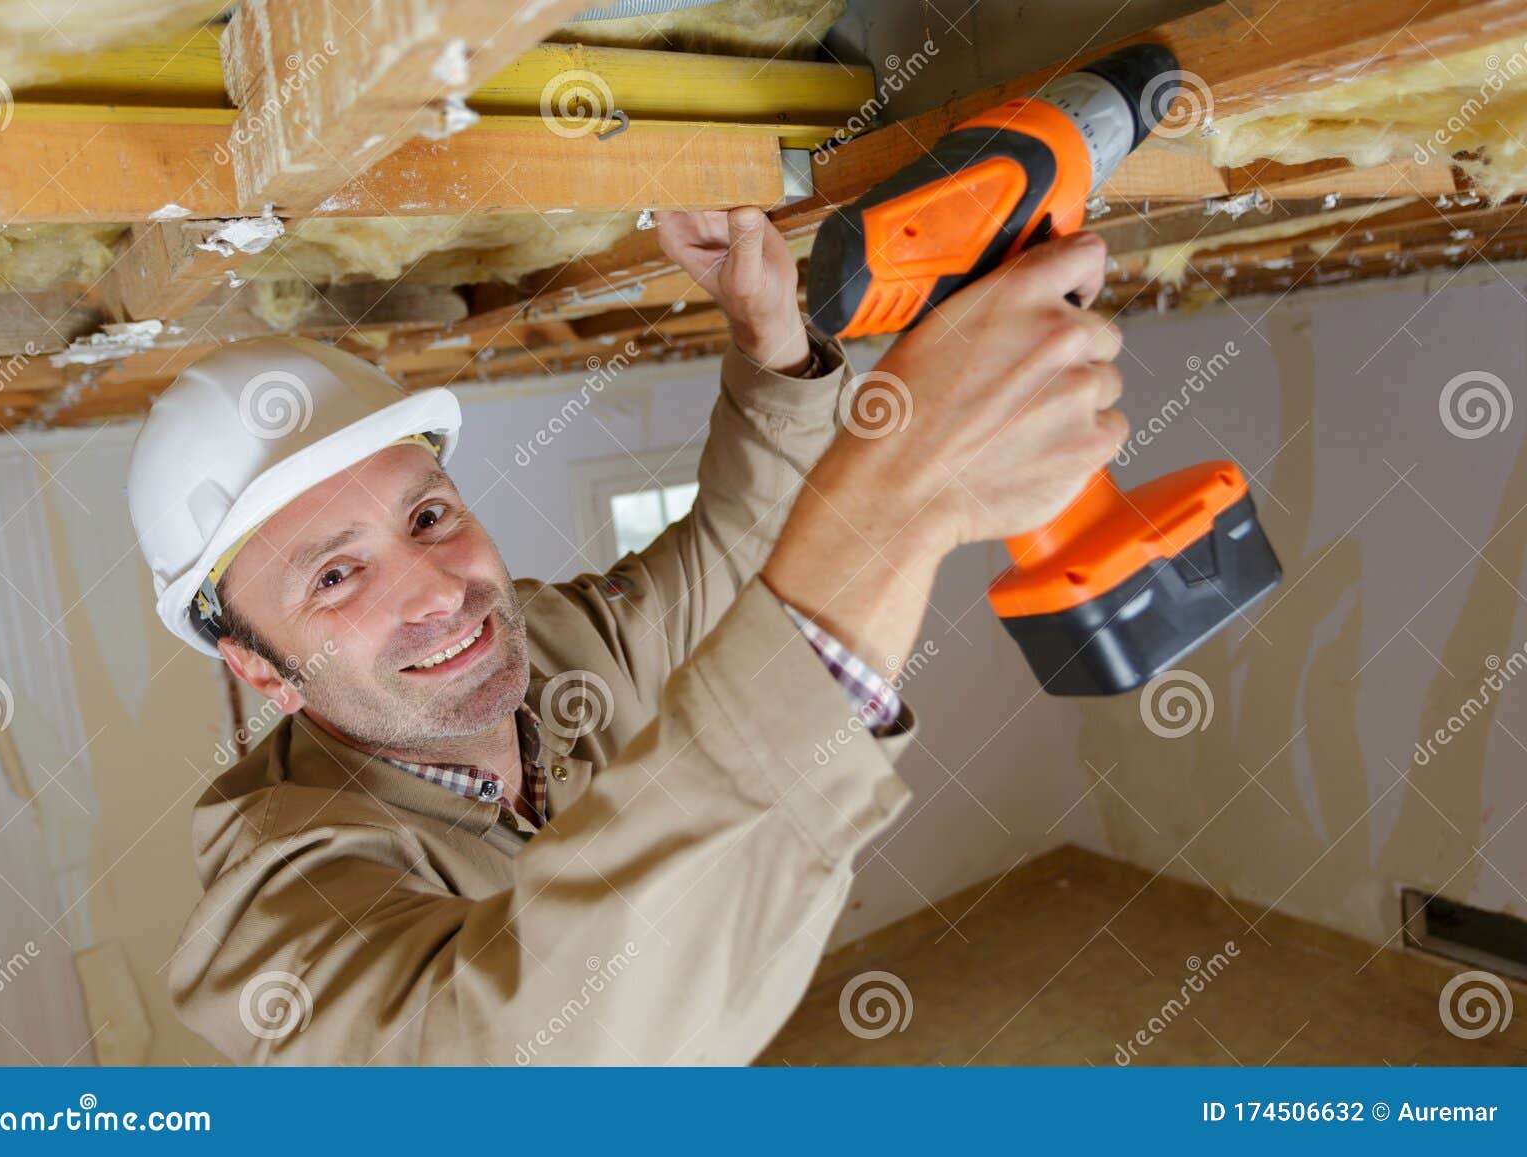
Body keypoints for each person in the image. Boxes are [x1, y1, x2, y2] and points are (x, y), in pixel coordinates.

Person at [126, 206, 1124, 1064]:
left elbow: (738, 549)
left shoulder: (563, 645)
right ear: (263, 668)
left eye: (429, 516)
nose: (439, 590)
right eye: (337, 575)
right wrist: (901, 497)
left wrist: (770, 335)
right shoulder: (278, 907)